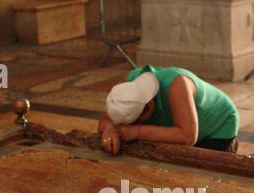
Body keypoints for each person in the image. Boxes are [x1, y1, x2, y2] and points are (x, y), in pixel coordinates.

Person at [100, 64, 240, 154]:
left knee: (196, 171)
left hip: (219, 123)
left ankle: (229, 146)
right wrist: (110, 128)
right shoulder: (123, 90)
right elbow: (104, 121)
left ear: (149, 107)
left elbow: (188, 137)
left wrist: (136, 131)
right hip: (186, 124)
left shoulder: (177, 85)